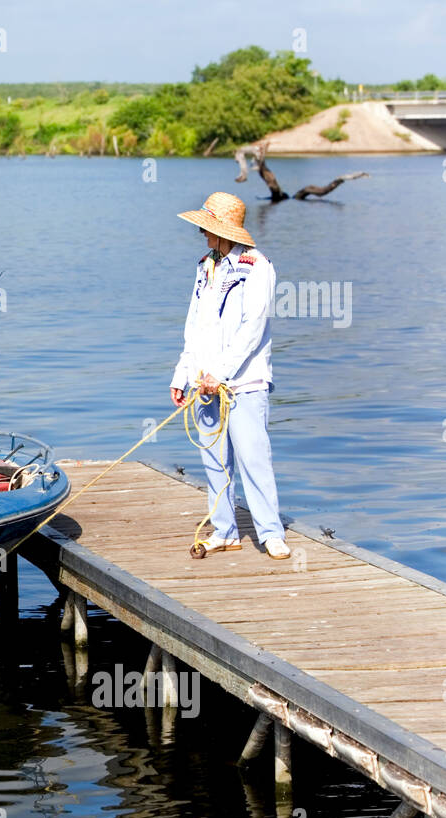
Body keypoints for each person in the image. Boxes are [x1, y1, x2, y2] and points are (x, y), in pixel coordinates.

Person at [170, 191, 290, 560]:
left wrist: (220, 373)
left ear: (225, 231)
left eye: (207, 229)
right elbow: (194, 326)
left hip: (244, 382)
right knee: (213, 459)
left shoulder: (258, 266)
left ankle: (271, 533)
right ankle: (225, 531)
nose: (203, 236)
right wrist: (183, 374)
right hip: (204, 382)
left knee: (254, 458)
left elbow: (253, 327)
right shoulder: (204, 265)